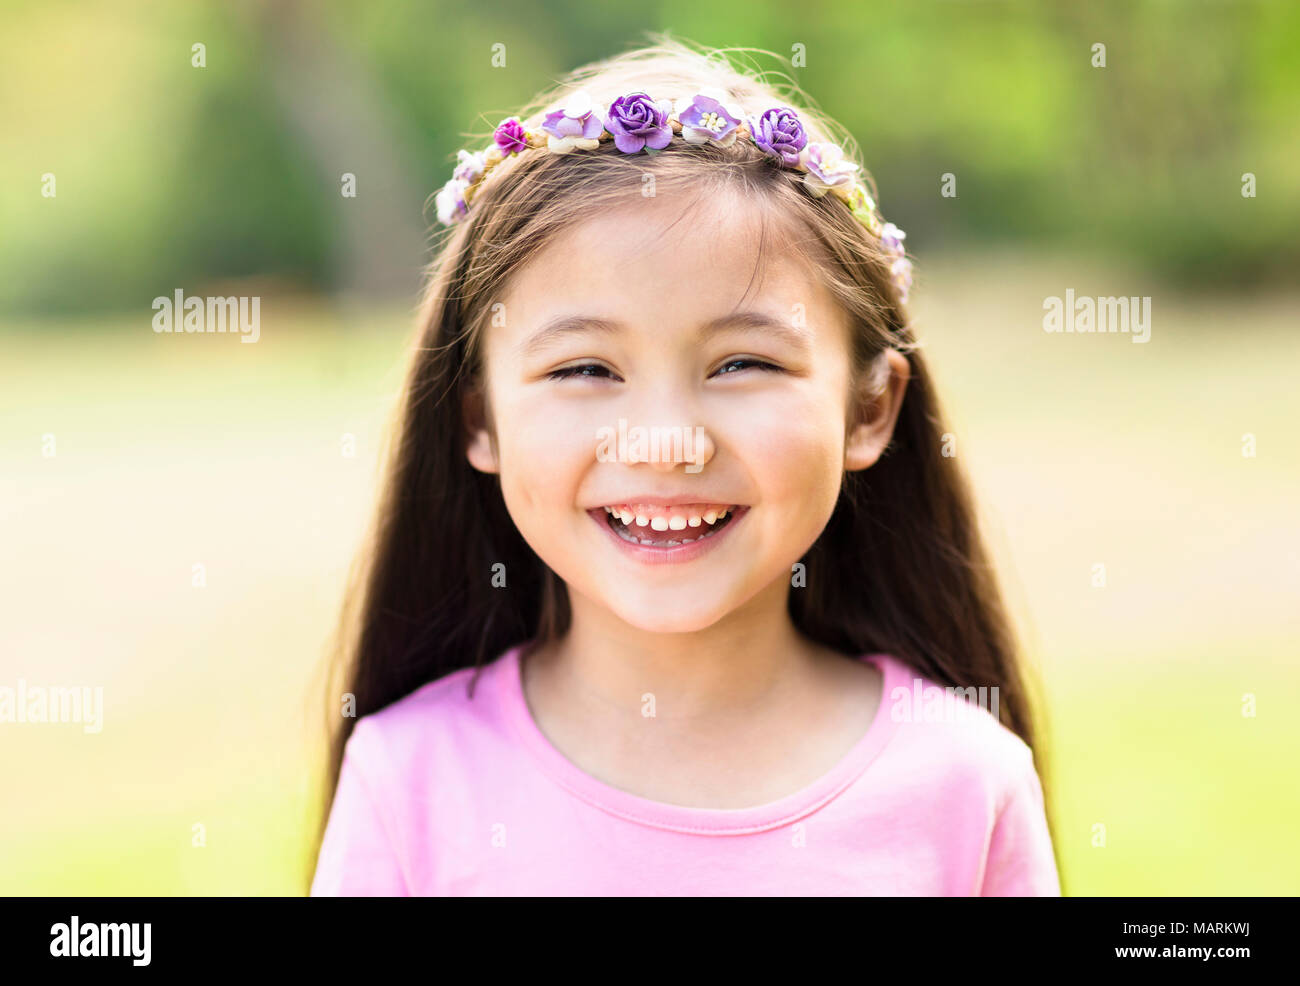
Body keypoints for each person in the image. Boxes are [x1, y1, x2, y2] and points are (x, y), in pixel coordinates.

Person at [309, 37, 1061, 896]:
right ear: (479, 417)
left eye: (743, 364)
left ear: (869, 409)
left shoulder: (963, 783)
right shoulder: (410, 780)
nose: (664, 443)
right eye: (584, 369)